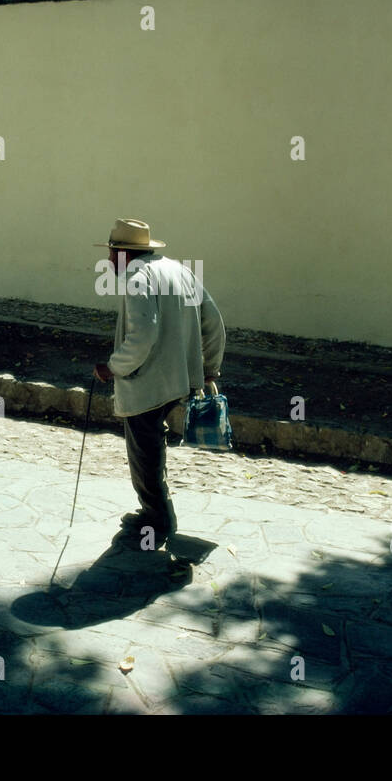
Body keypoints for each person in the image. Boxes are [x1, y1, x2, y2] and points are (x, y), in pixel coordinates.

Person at [92, 218, 225, 547]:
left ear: (124, 252)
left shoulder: (137, 277)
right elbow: (214, 320)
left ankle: (157, 519)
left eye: (111, 253)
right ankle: (155, 512)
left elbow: (143, 334)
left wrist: (112, 367)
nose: (108, 261)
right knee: (151, 447)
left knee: (144, 452)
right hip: (181, 377)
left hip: (148, 382)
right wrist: (210, 368)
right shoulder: (178, 270)